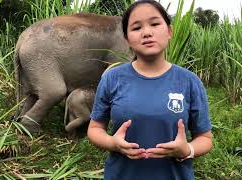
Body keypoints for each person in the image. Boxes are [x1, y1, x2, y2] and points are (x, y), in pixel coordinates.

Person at [87, 0, 213, 179]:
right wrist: (112, 142)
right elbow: (94, 129)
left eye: (155, 24)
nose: (147, 33)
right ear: (127, 39)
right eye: (136, 28)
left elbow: (205, 139)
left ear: (169, 31)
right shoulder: (112, 78)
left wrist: (187, 149)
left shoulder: (189, 81)